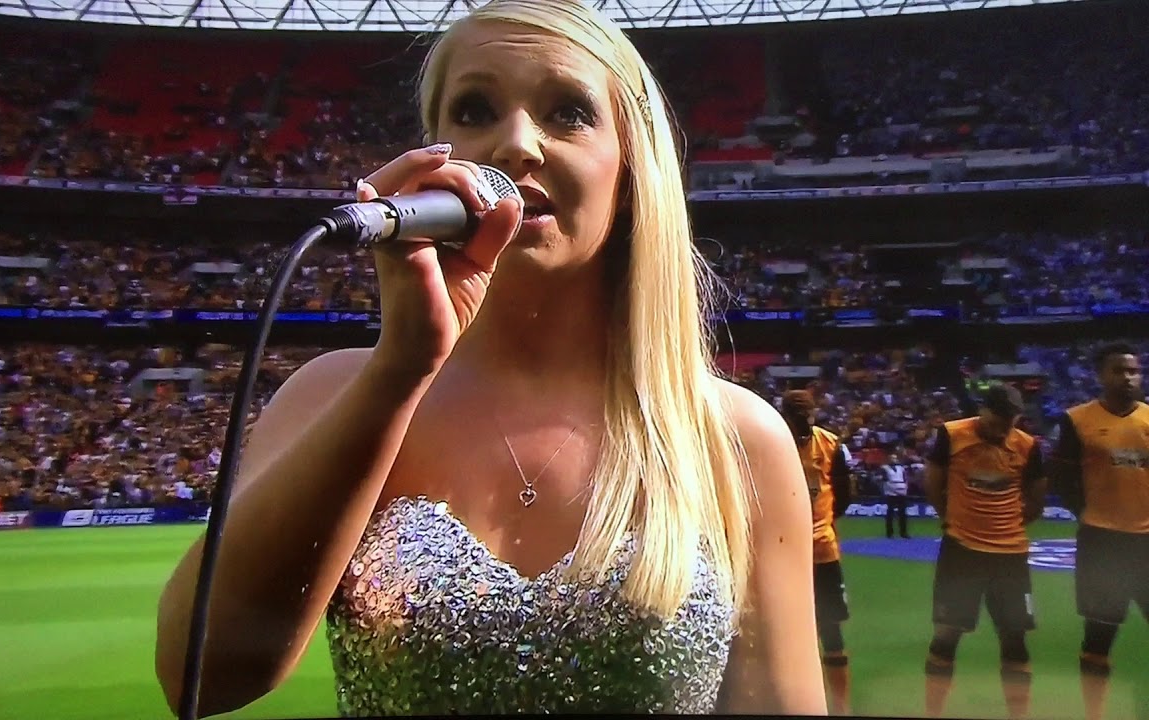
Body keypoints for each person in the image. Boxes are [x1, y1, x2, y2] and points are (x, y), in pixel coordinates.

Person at [154, 0, 826, 716]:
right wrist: (400, 370)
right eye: (474, 110)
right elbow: (207, 675)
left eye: (567, 111)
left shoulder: (736, 437)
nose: (516, 145)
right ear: (432, 159)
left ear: (630, 170)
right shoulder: (332, 393)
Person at [922, 383, 1046, 719]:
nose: (1003, 428)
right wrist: (950, 517)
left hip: (1010, 556)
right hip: (962, 550)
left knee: (1015, 639)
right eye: (997, 420)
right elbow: (933, 481)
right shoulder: (952, 434)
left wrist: (1012, 524)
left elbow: (1036, 497)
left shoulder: (1027, 445)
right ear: (983, 409)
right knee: (947, 635)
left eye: (1010, 421)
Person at [1049, 343, 1149, 720]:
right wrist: (1087, 512)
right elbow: (1061, 475)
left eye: (1133, 371)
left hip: (1147, 541)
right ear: (1100, 375)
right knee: (1098, 637)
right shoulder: (1076, 420)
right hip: (1102, 542)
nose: (1127, 378)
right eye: (1118, 371)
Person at [781, 389, 855, 715]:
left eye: (806, 421)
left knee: (831, 631)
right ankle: (794, 703)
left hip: (821, 551)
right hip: (782, 555)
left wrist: (820, 523)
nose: (802, 429)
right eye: (797, 421)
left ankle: (840, 707)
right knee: (783, 630)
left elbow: (844, 493)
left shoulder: (831, 445)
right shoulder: (773, 441)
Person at [882, 452, 911, 539]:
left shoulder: (901, 468)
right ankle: (890, 533)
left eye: (895, 458)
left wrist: (905, 488)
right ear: (888, 459)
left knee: (902, 513)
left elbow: (905, 479)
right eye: (891, 458)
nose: (893, 460)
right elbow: (884, 480)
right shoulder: (884, 468)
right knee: (890, 512)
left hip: (901, 491)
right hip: (890, 492)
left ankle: (903, 532)